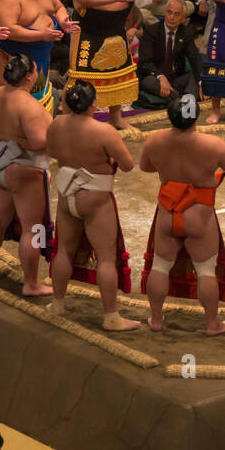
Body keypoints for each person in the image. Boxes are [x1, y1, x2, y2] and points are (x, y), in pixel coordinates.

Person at [136, 91, 225, 335]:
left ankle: (155, 319)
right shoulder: (213, 144)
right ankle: (212, 324)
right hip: (199, 215)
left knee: (160, 266)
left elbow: (145, 166)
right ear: (195, 117)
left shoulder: (154, 140)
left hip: (167, 212)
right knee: (205, 270)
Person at [46, 81, 139, 332]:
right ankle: (111, 317)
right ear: (94, 103)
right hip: (96, 198)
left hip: (67, 195)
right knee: (106, 258)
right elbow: (128, 164)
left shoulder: (55, 125)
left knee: (63, 250)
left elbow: (51, 151)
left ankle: (57, 304)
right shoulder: (104, 131)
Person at [0, 55, 53, 296]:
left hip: (0, 162)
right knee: (32, 228)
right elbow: (39, 143)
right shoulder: (30, 106)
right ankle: (31, 283)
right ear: (30, 76)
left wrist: (8, 136)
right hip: (25, 168)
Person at [65, 0, 143, 129]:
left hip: (116, 25)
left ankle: (116, 118)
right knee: (80, 77)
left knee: (117, 72)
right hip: (89, 27)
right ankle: (72, 122)